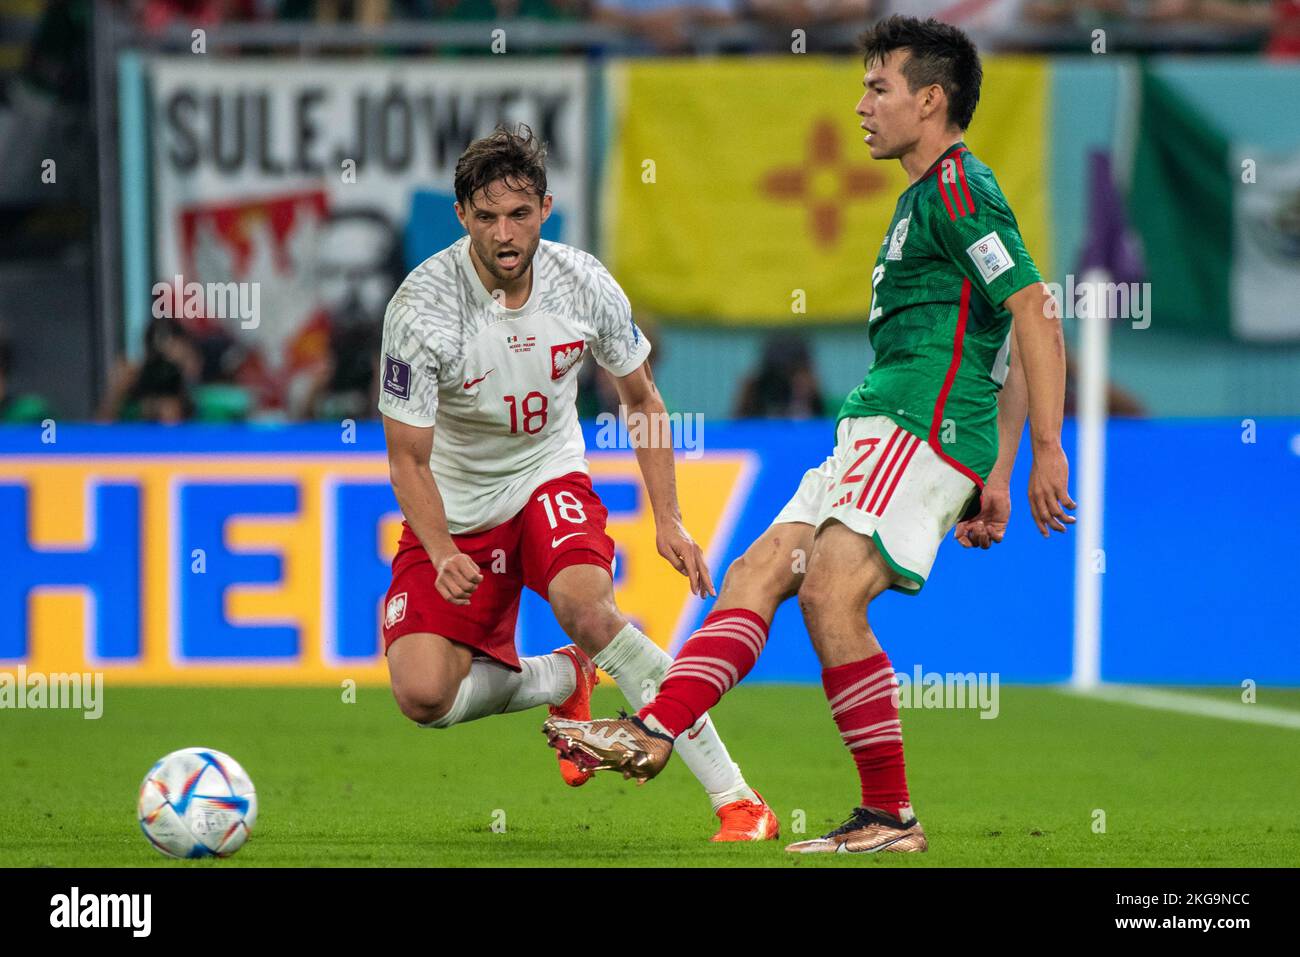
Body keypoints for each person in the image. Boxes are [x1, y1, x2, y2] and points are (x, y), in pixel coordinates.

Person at [545, 16, 1075, 854]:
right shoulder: (923, 199)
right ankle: (654, 732)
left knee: (830, 591)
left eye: (879, 87)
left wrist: (1041, 451)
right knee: (760, 569)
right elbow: (1003, 342)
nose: (861, 104)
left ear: (930, 100)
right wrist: (999, 472)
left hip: (918, 428)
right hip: (875, 429)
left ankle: (890, 814)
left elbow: (1036, 313)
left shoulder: (962, 188)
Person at [377, 125, 778, 841]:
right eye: (488, 215)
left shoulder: (583, 282)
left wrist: (670, 519)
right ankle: (561, 678)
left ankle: (738, 799)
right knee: (423, 693)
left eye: (521, 214)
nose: (506, 232)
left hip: (546, 476)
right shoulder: (421, 307)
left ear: (546, 210)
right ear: (462, 214)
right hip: (458, 509)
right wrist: (440, 550)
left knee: (587, 608)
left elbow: (642, 399)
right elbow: (407, 458)